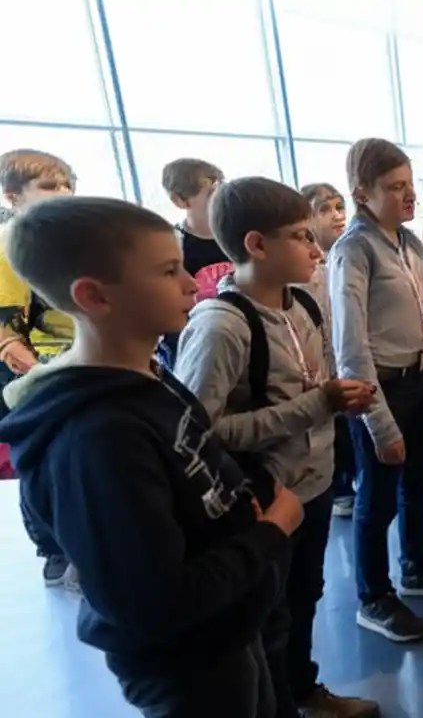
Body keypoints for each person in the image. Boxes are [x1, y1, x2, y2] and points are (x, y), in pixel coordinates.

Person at [0, 196, 301, 716]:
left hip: (230, 623)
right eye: (168, 271)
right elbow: (153, 605)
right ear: (94, 296)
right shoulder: (97, 439)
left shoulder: (148, 377)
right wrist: (271, 532)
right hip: (190, 665)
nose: (191, 284)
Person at [173, 178, 380, 718]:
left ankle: (302, 691)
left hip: (312, 487)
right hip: (259, 503)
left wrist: (336, 400)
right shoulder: (221, 327)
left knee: (304, 597)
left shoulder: (304, 304)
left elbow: (311, 388)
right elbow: (197, 435)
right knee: (265, 619)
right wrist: (318, 404)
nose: (316, 250)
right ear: (256, 245)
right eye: (301, 237)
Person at [331, 138, 423, 643]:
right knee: (376, 499)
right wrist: (379, 421)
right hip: (381, 388)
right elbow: (350, 345)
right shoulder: (352, 251)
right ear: (361, 193)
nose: (410, 195)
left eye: (410, 184)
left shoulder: (412, 244)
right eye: (395, 187)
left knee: (418, 485)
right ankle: (373, 597)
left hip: (420, 377)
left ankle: (417, 566)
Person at [0, 148, 78, 587]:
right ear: (13, 196)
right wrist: (38, 376)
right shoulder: (8, 244)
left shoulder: (68, 240)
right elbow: (6, 330)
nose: (62, 192)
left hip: (81, 358)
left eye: (67, 184)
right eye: (49, 186)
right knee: (41, 461)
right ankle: (53, 548)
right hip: (42, 371)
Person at [300, 182, 357, 519]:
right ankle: (338, 487)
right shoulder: (303, 273)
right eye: (324, 209)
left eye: (339, 207)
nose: (337, 215)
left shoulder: (346, 256)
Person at [157, 158, 229, 367]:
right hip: (190, 344)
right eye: (211, 194)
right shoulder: (173, 245)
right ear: (180, 200)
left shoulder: (234, 237)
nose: (220, 201)